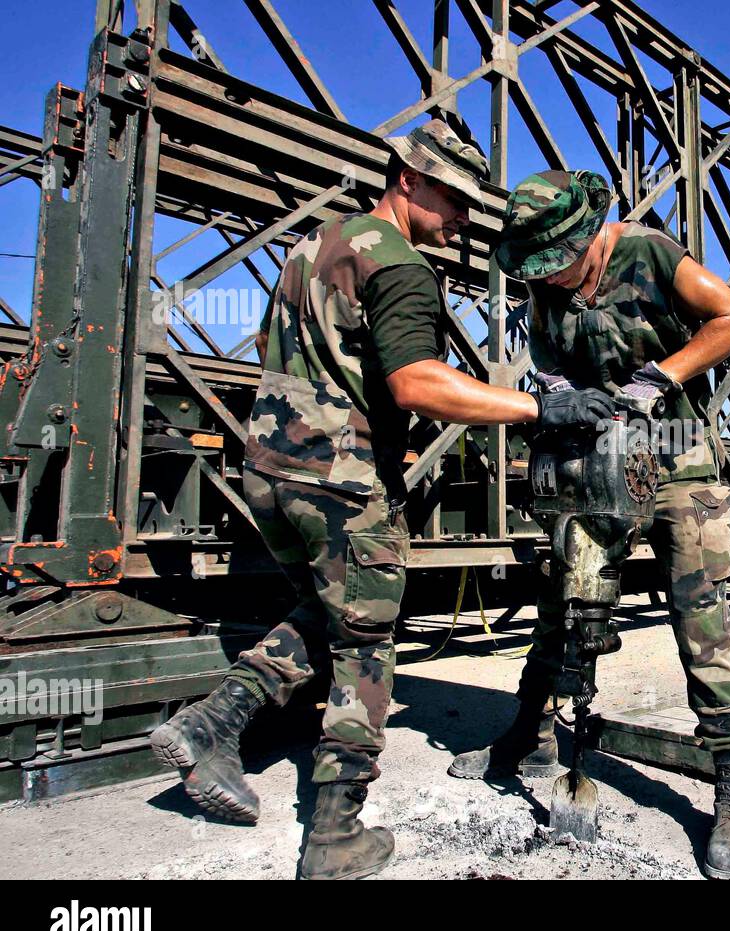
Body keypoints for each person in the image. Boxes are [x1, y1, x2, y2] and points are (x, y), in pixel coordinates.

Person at [150, 121, 614, 880]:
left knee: (330, 620)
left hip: (269, 471)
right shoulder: (401, 268)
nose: (464, 218)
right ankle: (335, 835)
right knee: (366, 649)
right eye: (454, 199)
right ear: (407, 178)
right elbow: (414, 383)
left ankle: (215, 721)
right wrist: (537, 409)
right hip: (343, 483)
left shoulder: (315, 244)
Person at [449, 170, 730, 879]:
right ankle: (528, 737)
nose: (549, 280)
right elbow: (548, 355)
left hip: (677, 460)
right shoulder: (542, 278)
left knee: (699, 615)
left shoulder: (650, 253)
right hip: (598, 461)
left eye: (558, 264)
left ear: (587, 236)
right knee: (566, 603)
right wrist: (557, 389)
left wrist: (658, 378)